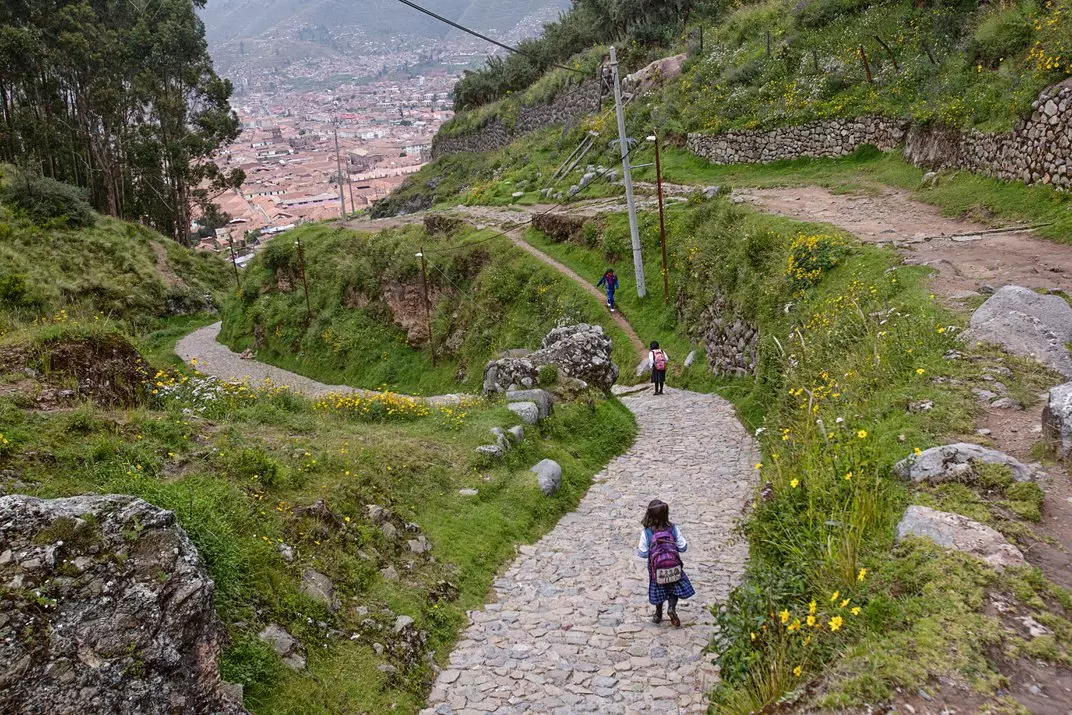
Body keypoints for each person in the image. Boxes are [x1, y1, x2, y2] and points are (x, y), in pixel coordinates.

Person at [637, 499, 694, 626]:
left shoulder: (647, 532)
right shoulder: (673, 529)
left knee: (658, 589)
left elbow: (643, 553)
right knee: (674, 588)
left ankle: (658, 614)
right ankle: (671, 608)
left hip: (656, 569)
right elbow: (683, 547)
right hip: (674, 566)